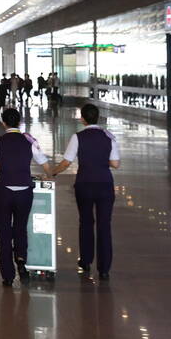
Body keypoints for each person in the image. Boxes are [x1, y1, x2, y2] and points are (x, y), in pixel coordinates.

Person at [51, 104, 120, 280]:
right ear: (98, 117)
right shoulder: (109, 137)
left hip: (85, 184)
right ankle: (104, 269)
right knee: (105, 225)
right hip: (105, 184)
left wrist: (53, 172)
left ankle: (86, 261)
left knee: (86, 221)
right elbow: (115, 164)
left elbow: (66, 162)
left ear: (83, 119)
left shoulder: (78, 137)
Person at [0, 108, 52, 286]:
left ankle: (7, 275)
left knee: (3, 231)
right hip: (25, 190)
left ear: (3, 123)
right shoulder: (30, 141)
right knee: (20, 227)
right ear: (19, 122)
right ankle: (21, 260)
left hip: (4, 190)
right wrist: (48, 176)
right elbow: (45, 164)